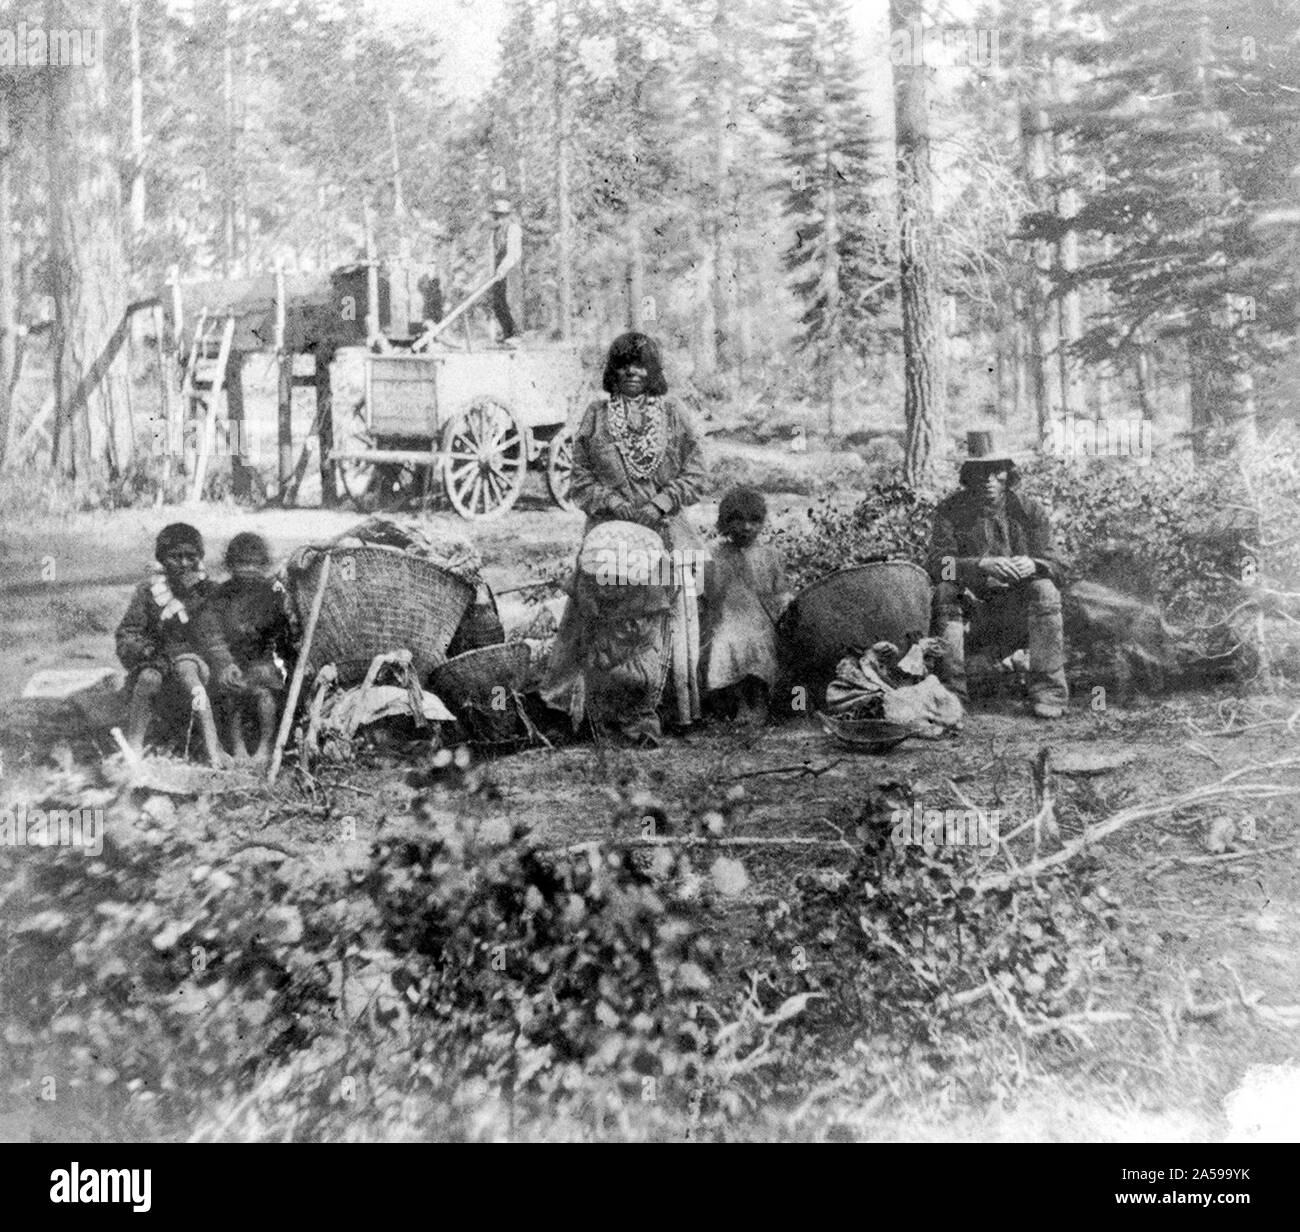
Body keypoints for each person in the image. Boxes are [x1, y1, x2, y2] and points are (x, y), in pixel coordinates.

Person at [540, 332, 708, 744]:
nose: (632, 372)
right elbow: (578, 479)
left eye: (641, 365)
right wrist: (614, 504)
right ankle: (581, 710)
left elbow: (697, 472)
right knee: (596, 611)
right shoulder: (596, 416)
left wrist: (661, 503)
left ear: (653, 373)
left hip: (664, 529)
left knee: (658, 615)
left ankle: (662, 706)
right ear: (612, 372)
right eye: (624, 365)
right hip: (608, 532)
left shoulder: (673, 414)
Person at [926, 429, 1069, 718]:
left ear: (1008, 473)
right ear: (968, 475)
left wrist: (1036, 564)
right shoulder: (951, 511)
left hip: (1019, 612)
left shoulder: (1029, 511)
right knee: (944, 591)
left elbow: (1061, 564)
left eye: (996, 471)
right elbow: (937, 565)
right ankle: (952, 695)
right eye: (980, 472)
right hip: (972, 612)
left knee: (1045, 589)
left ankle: (1049, 692)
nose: (989, 480)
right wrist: (979, 565)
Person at [115, 523, 242, 763]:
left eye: (190, 556)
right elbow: (128, 634)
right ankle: (134, 747)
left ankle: (215, 746)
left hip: (200, 667)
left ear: (200, 558)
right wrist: (146, 650)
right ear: (162, 559)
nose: (184, 564)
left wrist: (226, 664)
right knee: (148, 678)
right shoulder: (149, 592)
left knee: (205, 679)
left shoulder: (211, 592)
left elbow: (221, 637)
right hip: (160, 664)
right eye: (175, 557)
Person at [701, 485, 791, 725]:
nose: (746, 527)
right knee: (728, 641)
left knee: (760, 643)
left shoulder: (771, 555)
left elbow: (780, 594)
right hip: (725, 618)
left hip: (760, 619)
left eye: (754, 520)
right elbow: (709, 596)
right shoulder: (713, 554)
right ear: (725, 522)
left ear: (762, 523)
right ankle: (739, 705)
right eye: (737, 520)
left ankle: (759, 704)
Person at [211, 532, 296, 765]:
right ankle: (238, 747)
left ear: (264, 565)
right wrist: (226, 663)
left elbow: (283, 634)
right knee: (232, 694)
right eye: (241, 563)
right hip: (234, 661)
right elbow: (214, 634)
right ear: (230, 565)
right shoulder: (221, 596)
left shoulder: (272, 594)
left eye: (255, 564)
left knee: (265, 693)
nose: (248, 569)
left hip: (264, 660)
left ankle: (264, 747)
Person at [489, 198, 523, 341]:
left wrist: (503, 268)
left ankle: (516, 334)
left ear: (508, 215)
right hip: (499, 270)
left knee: (510, 300)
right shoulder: (496, 231)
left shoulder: (513, 229)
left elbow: (513, 253)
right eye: (497, 215)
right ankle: (507, 332)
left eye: (502, 215)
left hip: (511, 269)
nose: (499, 219)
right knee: (497, 302)